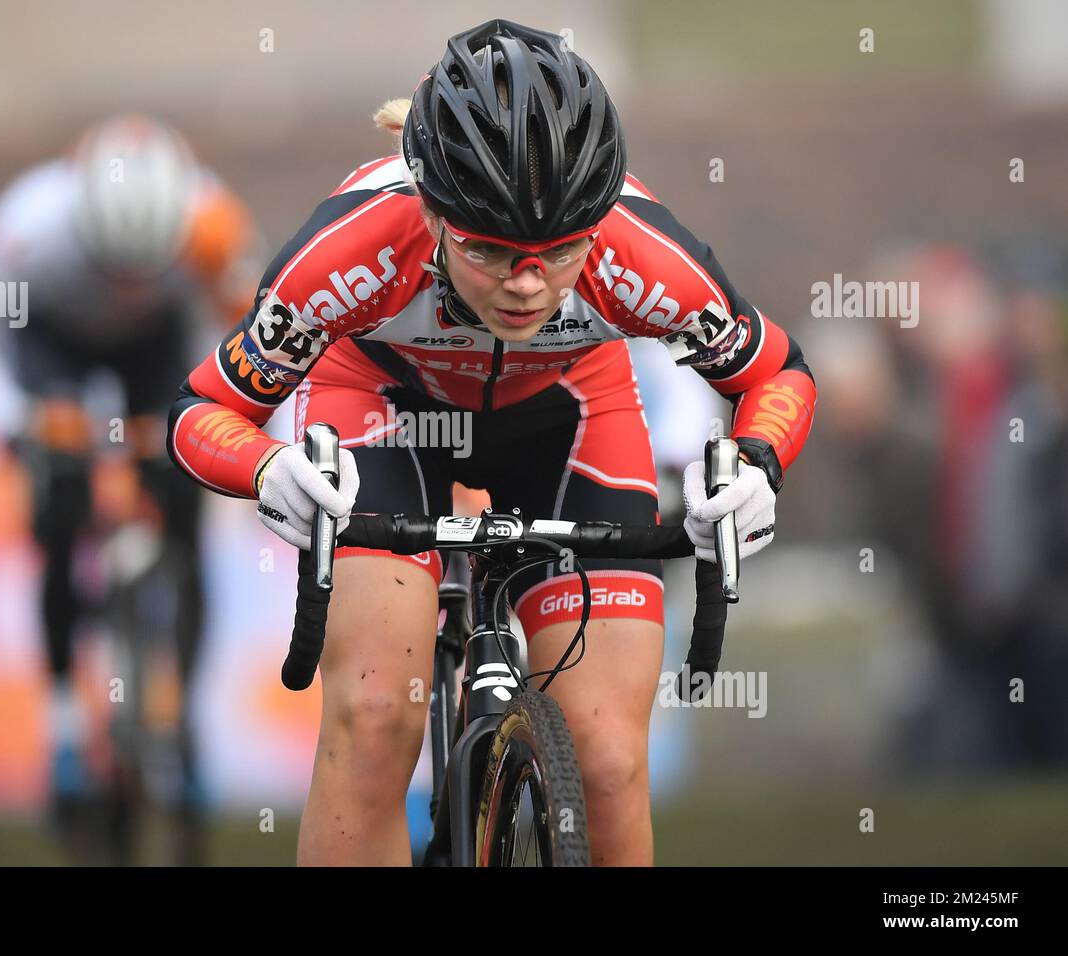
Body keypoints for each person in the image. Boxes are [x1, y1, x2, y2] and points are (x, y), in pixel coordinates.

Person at [167, 20, 817, 865]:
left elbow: (777, 376)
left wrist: (759, 465)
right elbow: (199, 413)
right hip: (382, 402)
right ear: (433, 213)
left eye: (559, 254)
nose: (527, 282)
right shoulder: (353, 250)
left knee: (610, 763)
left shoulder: (637, 253)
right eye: (490, 252)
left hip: (570, 411)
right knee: (372, 722)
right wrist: (267, 468)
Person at [0, 113, 261, 816]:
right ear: (82, 224)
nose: (128, 290)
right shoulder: (26, 225)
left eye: (145, 272)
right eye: (114, 270)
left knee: (186, 515)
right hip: (49, 340)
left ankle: (188, 724)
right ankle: (62, 730)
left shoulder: (212, 224)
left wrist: (218, 423)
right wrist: (16, 423)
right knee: (57, 507)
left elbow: (249, 336)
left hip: (159, 349)